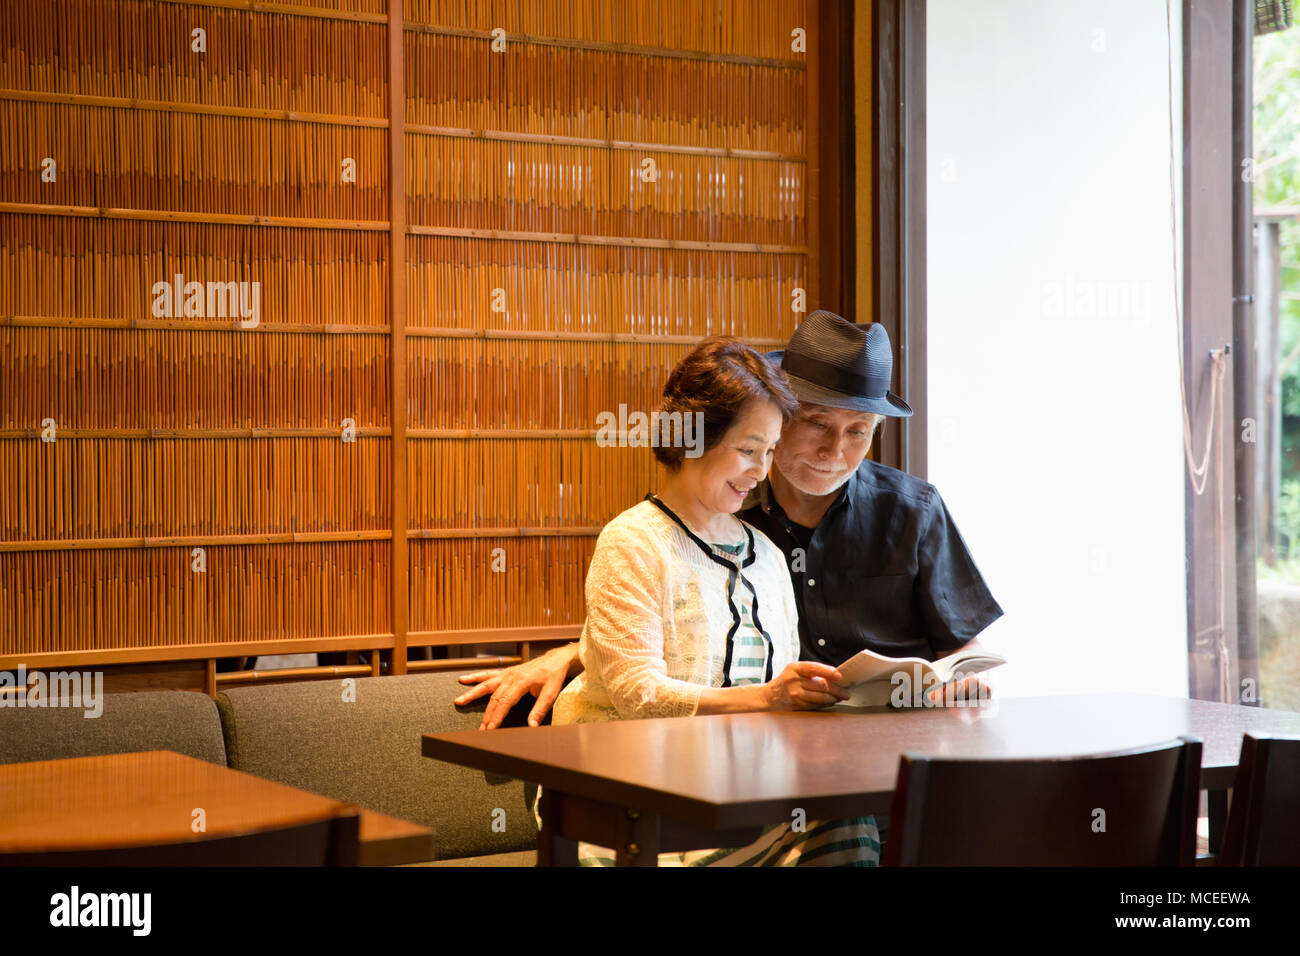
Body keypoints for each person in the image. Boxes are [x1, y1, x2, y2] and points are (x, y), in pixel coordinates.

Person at [457, 310, 1003, 729]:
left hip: (889, 741)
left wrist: (963, 681)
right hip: (768, 746)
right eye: (816, 423)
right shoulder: (722, 506)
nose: (836, 449)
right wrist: (576, 655)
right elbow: (665, 632)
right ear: (779, 417)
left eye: (858, 430)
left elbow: (966, 648)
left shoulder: (912, 509)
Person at [545, 336, 880, 865]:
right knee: (841, 826)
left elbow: (782, 686)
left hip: (737, 790)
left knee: (848, 812)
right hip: (626, 794)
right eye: (748, 450)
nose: (760, 470)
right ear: (690, 438)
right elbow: (638, 695)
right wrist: (770, 698)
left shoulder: (767, 556)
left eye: (768, 452)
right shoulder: (634, 541)